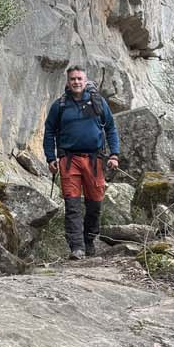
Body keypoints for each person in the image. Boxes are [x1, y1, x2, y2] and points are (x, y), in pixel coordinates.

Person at [43, 65, 120, 260]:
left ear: (85, 81)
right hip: (69, 161)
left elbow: (111, 128)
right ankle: (76, 247)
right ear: (67, 82)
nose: (76, 82)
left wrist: (114, 155)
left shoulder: (98, 102)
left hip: (94, 160)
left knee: (95, 205)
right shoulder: (59, 106)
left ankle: (89, 240)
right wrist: (50, 158)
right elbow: (49, 131)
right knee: (72, 204)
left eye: (79, 79)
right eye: (73, 79)